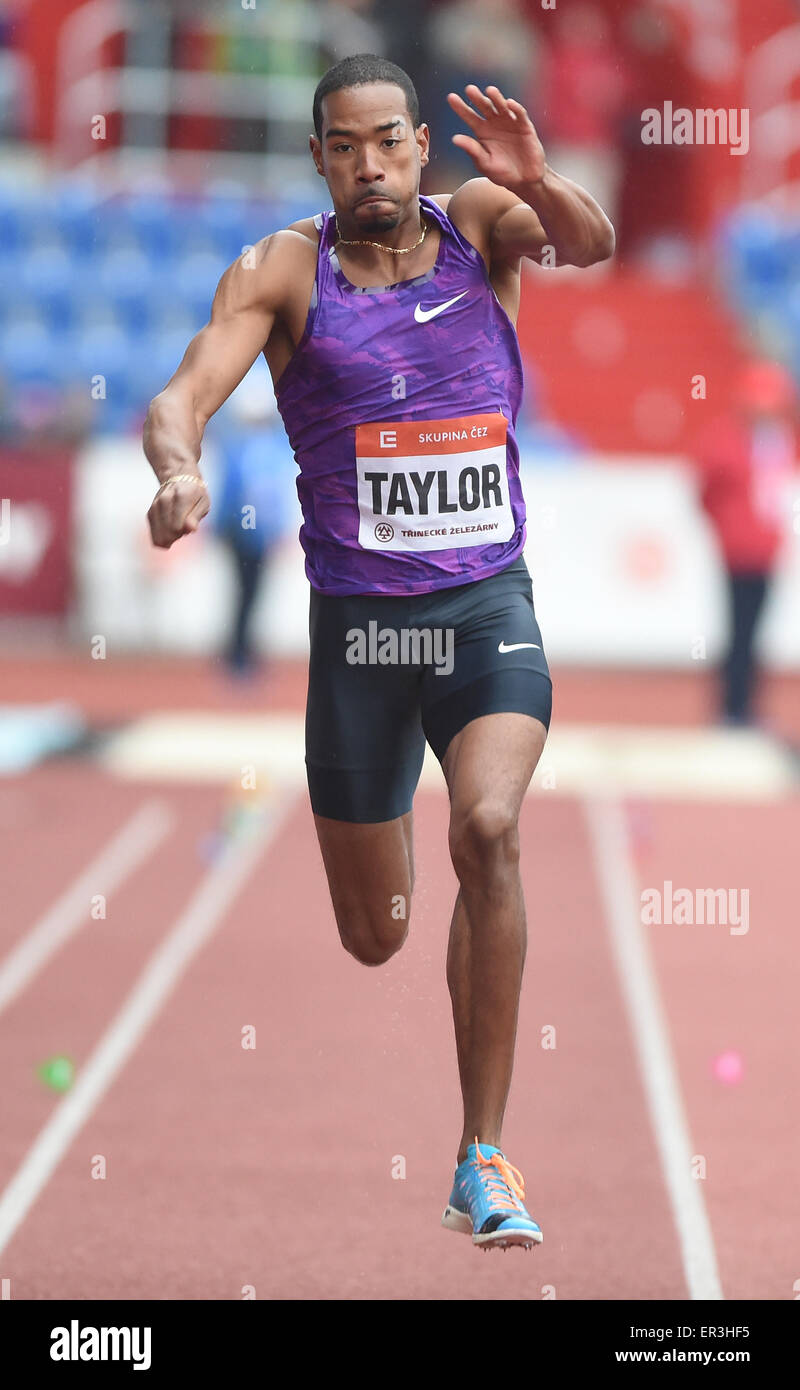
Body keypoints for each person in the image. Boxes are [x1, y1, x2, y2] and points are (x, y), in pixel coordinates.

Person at [143, 54, 614, 1251]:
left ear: (418, 146)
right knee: (377, 933)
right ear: (319, 160)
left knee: (489, 828)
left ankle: (481, 1155)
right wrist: (181, 468)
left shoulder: (481, 225)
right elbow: (183, 391)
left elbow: (592, 242)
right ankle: (460, 1103)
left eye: (388, 140)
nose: (369, 164)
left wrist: (541, 179)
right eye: (343, 145)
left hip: (480, 606)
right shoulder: (284, 270)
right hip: (359, 632)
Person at [693, 359, 797, 728]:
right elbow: (706, 487)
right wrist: (727, 529)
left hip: (766, 550)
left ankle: (745, 706)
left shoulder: (775, 441)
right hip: (739, 551)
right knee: (740, 630)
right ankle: (732, 708)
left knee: (754, 631)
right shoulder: (729, 438)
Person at [211, 368, 295, 676]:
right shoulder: (268, 449)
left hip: (250, 534)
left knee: (248, 595)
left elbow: (235, 493)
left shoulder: (246, 448)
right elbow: (235, 493)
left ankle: (240, 650)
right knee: (247, 594)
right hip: (248, 535)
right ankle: (238, 653)